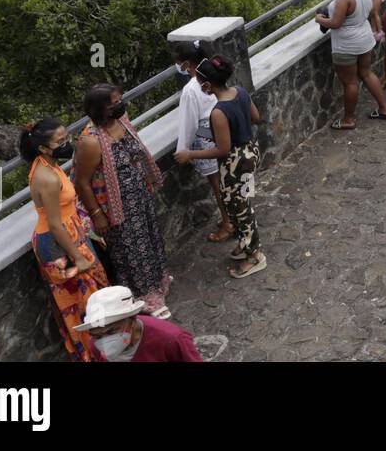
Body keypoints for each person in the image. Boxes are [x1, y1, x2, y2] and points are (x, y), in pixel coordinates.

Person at [75, 84, 172, 318]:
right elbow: (81, 182)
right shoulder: (90, 141)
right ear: (101, 109)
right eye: (114, 103)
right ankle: (143, 295)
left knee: (148, 238)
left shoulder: (121, 121)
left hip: (139, 195)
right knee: (131, 249)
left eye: (120, 100)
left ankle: (158, 281)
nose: (120, 105)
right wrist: (97, 214)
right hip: (116, 205)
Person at [21, 118, 109, 361]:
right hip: (58, 244)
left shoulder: (48, 163)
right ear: (42, 148)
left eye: (66, 138)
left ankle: (109, 345)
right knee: (82, 301)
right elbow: (54, 223)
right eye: (60, 142)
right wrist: (78, 256)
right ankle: (94, 354)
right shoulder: (46, 177)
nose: (66, 144)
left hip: (71, 234)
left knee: (94, 293)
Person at [181, 55, 267, 278]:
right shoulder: (240, 92)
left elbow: (222, 149)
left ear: (208, 85)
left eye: (200, 82)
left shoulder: (218, 112)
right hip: (250, 153)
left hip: (235, 163)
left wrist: (190, 153)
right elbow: (256, 117)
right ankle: (244, 243)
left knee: (240, 208)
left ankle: (254, 255)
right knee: (237, 202)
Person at [315, 0, 386, 128]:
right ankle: (384, 108)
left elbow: (335, 23)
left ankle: (348, 119)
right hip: (364, 41)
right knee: (367, 73)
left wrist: (318, 19)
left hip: (347, 46)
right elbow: (371, 13)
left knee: (350, 82)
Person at [171, 40, 231, 243]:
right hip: (223, 131)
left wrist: (184, 150)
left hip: (206, 139)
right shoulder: (213, 74)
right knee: (227, 180)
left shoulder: (190, 89)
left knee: (217, 184)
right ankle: (234, 217)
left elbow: (189, 122)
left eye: (180, 63)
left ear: (187, 64)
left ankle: (227, 222)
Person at [77, 286, 204, 362]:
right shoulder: (95, 345)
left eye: (111, 331)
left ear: (132, 319)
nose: (104, 341)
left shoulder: (172, 339)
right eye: (97, 335)